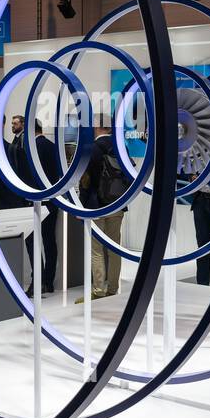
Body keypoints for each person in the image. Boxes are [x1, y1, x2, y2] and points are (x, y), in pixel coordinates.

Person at [77, 119, 127, 301]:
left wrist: (80, 206)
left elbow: (85, 179)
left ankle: (98, 290)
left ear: (97, 126)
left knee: (96, 249)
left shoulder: (92, 148)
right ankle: (113, 288)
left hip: (95, 205)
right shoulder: (121, 147)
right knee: (115, 248)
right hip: (117, 203)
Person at [16, 119, 60, 296]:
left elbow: (27, 175)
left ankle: (37, 281)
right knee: (49, 240)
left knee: (33, 241)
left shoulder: (31, 149)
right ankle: (48, 281)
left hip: (33, 201)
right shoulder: (52, 146)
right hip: (52, 200)